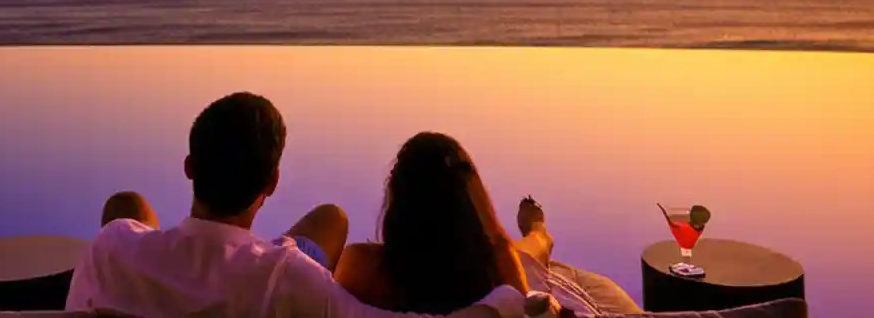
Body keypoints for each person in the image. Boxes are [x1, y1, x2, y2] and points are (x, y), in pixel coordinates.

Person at [67, 93, 550, 318]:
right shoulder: (291, 278)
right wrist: (506, 302)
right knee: (331, 217)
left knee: (126, 207)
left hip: (151, 262)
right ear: (272, 183)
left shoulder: (111, 249)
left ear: (190, 167)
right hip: (262, 276)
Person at [335, 133, 638, 316]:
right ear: (470, 203)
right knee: (535, 245)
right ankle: (536, 226)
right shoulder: (495, 264)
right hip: (490, 260)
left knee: (529, 249)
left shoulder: (362, 264)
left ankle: (536, 228)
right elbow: (525, 308)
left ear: (397, 201)